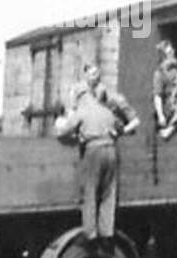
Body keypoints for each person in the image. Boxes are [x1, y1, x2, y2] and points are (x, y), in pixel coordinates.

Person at [55, 65, 140, 244]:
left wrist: (76, 138)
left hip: (93, 151)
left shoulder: (81, 111)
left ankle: (91, 235)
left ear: (79, 97)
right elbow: (122, 127)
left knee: (91, 192)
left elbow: (62, 132)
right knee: (109, 192)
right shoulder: (107, 111)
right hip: (111, 149)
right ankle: (107, 233)